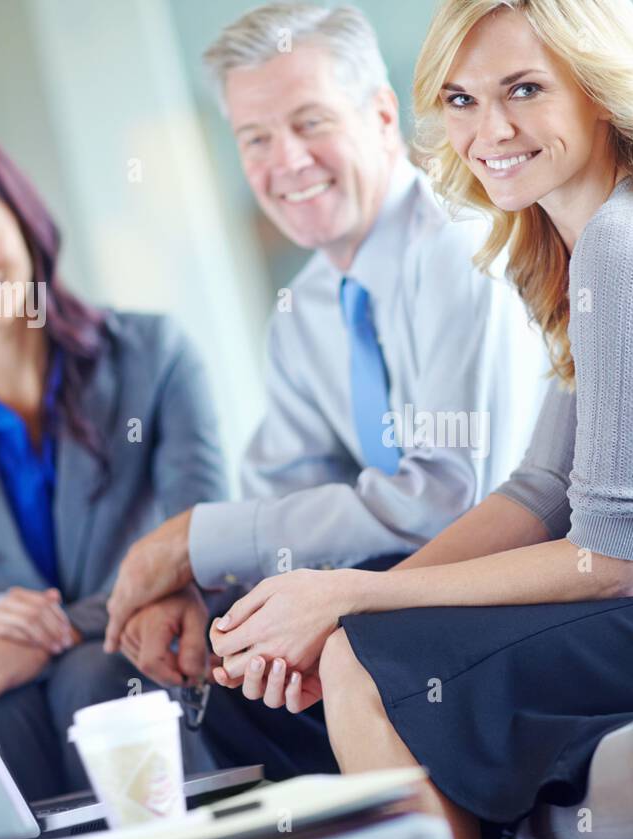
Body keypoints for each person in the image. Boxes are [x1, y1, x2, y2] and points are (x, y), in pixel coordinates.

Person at [206, 0, 633, 839]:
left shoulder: (631, 246)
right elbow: (539, 492)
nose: (488, 130)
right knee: (357, 647)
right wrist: (331, 601)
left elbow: (605, 564)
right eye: (458, 100)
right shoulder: (584, 246)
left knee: (369, 661)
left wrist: (348, 598)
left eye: (522, 89)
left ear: (598, 93)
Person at [78, 3, 572, 772]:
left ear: (380, 116)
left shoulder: (459, 244)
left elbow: (447, 496)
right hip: (410, 591)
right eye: (257, 139)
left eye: (310, 123)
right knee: (225, 671)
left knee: (311, 665)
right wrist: (206, 594)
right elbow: (283, 507)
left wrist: (194, 541)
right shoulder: (305, 308)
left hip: (511, 581)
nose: (288, 161)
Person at [0, 117, 227, 800]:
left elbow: (209, 553)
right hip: (12, 702)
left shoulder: (156, 356)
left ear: (21, 218)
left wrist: (50, 635)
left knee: (98, 676)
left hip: (142, 666)